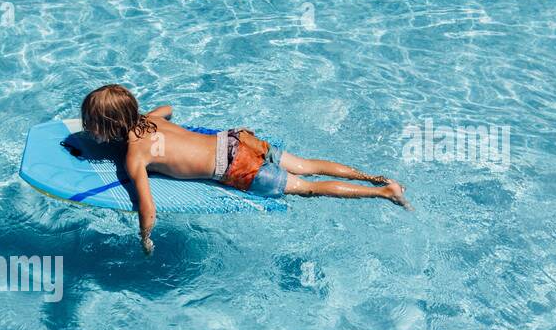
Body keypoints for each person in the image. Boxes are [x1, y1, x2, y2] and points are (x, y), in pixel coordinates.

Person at [80, 84, 410, 254]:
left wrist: (145, 238)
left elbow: (147, 207)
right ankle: (376, 177)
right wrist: (146, 116)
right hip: (237, 140)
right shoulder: (150, 120)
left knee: (306, 187)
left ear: (109, 126)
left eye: (90, 124)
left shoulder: (135, 157)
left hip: (234, 167)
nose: (87, 129)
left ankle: (382, 193)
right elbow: (169, 108)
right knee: (307, 165)